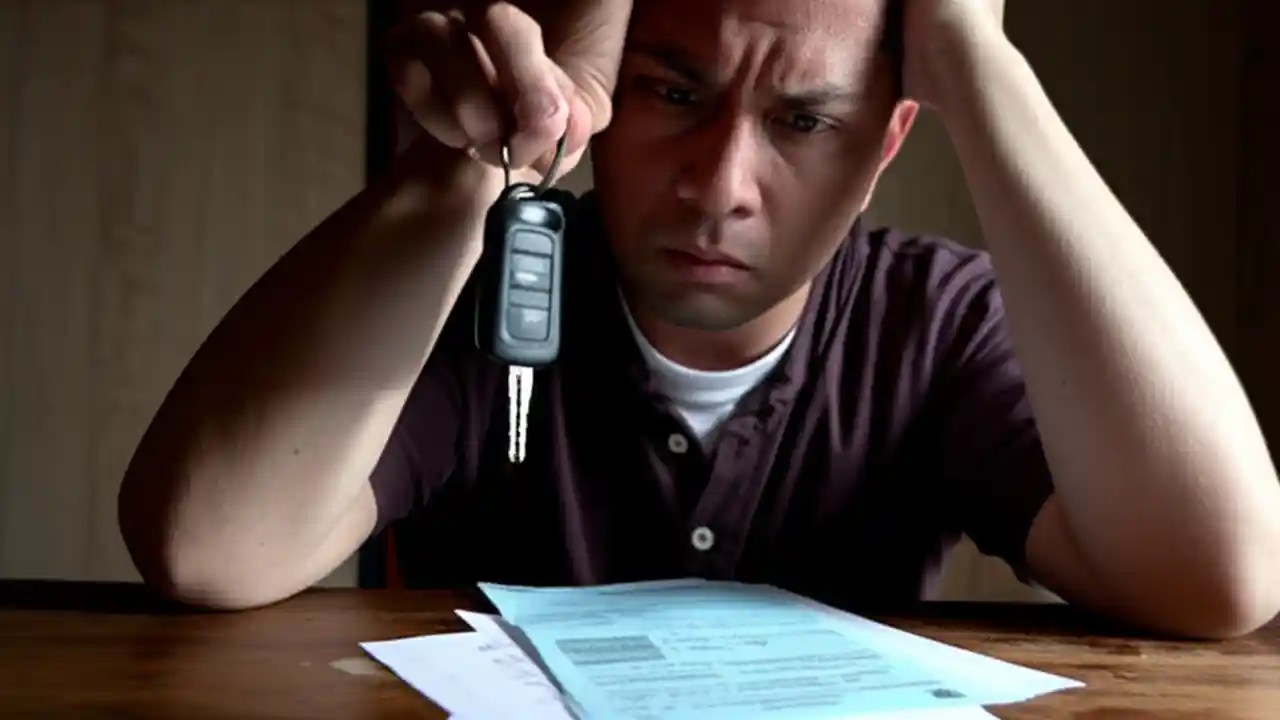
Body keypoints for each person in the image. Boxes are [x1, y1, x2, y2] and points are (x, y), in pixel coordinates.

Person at [118, 0, 1280, 638]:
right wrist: (481, 153)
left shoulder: (928, 323)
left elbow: (1220, 580)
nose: (722, 182)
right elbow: (207, 548)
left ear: (882, 149)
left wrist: (976, 56)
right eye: (671, 95)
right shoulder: (474, 293)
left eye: (803, 121)